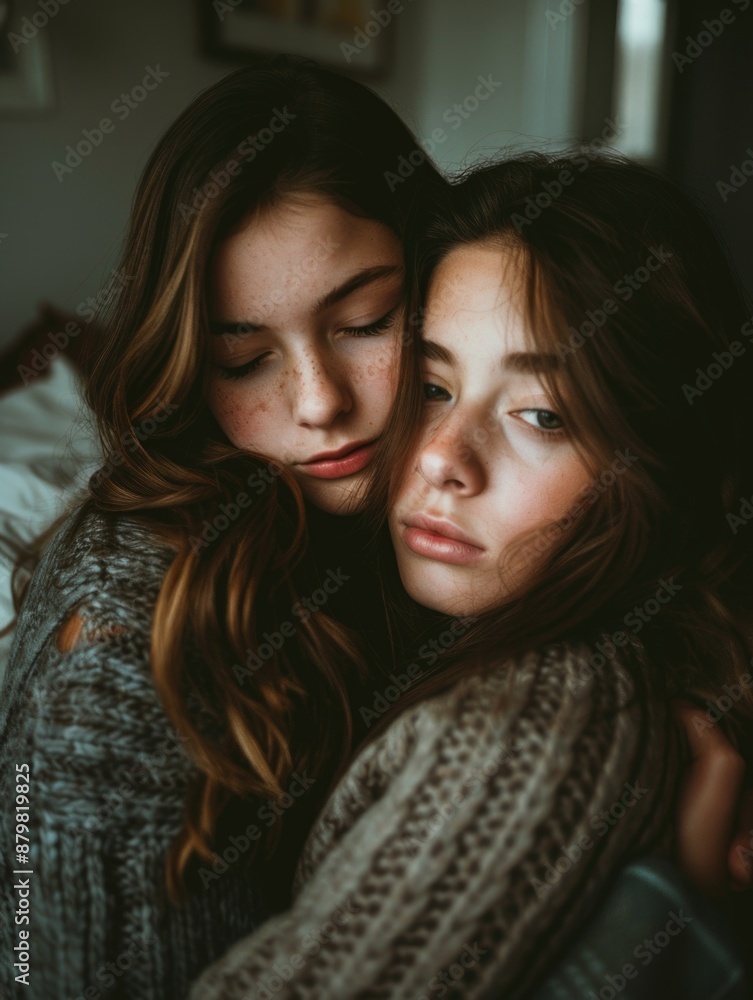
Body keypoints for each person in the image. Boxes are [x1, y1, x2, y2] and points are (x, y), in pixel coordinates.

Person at [186, 152, 753, 999]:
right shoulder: (450, 639)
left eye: (542, 415)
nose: (442, 460)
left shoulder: (540, 725)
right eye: (430, 385)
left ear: (656, 458)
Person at [0, 55, 444, 1000]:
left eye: (366, 320)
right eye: (243, 358)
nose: (319, 403)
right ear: (188, 375)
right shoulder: (121, 666)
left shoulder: (410, 516)